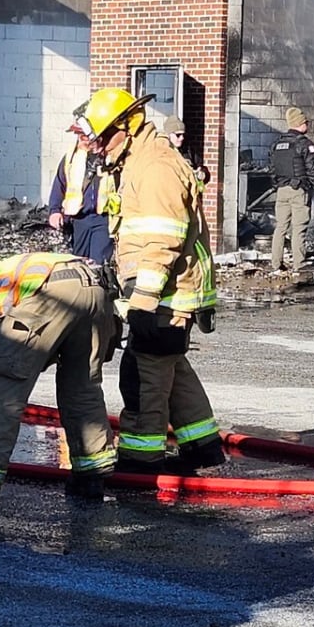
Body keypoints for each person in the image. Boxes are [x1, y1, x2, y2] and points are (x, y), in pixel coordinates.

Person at [79, 87, 225, 475]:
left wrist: (142, 300)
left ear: (128, 126)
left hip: (165, 295)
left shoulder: (155, 166)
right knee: (170, 367)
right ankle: (203, 445)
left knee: (143, 374)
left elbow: (164, 240)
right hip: (166, 292)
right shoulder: (138, 161)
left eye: (103, 136)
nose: (97, 147)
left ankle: (141, 458)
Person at [0, 254, 121, 510]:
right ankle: (91, 479)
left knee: (1, 389)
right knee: (82, 387)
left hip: (53, 291)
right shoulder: (6, 279)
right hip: (96, 287)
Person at [45, 111, 115, 264]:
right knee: (77, 264)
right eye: (78, 135)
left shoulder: (112, 157)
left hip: (103, 219)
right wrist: (55, 211)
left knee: (99, 266)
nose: (80, 139)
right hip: (78, 220)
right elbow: (60, 184)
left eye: (83, 135)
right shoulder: (70, 157)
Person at [266, 106, 314, 274]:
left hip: (282, 190)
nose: (308, 125)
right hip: (299, 190)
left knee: (280, 227)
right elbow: (313, 169)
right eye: (306, 122)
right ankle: (299, 265)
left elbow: (272, 169)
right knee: (299, 227)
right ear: (300, 123)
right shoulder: (305, 145)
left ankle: (276, 265)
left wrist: (277, 184)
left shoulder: (277, 144)